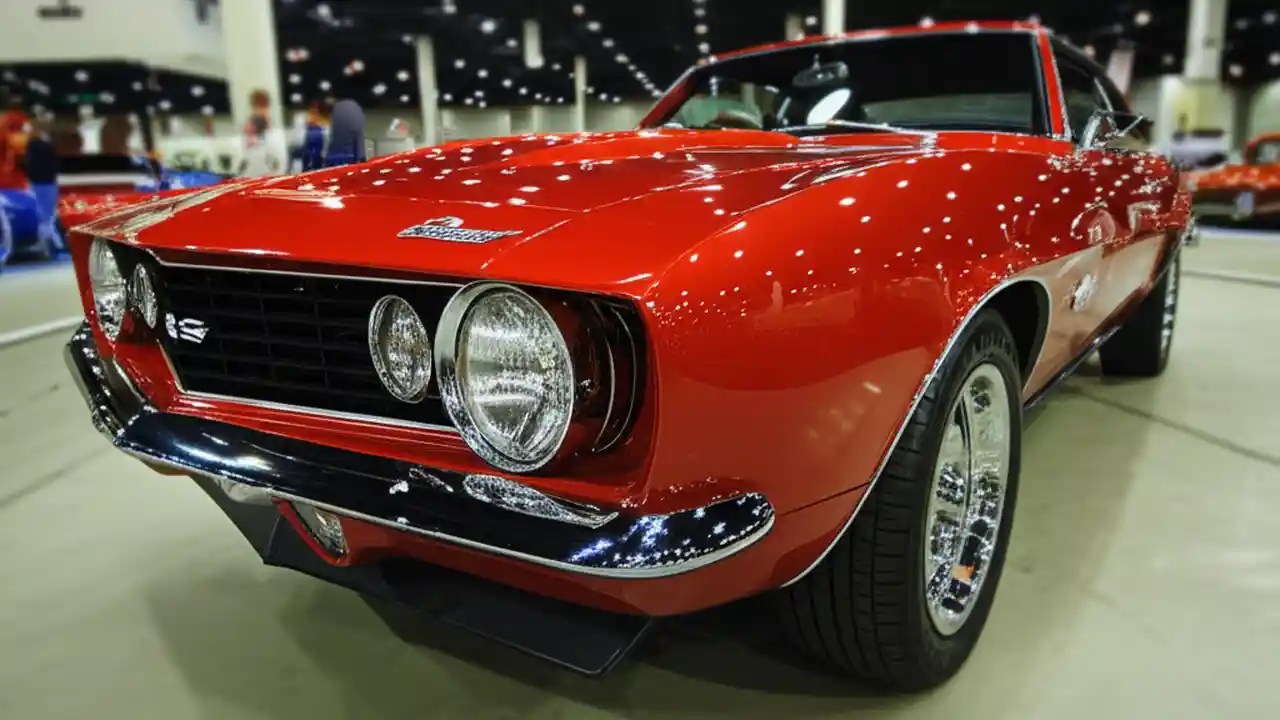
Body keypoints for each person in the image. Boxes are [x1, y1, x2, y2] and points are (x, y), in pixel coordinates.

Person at [24, 118, 63, 258]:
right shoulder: (41, 146)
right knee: (46, 217)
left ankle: (51, 245)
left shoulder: (35, 146)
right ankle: (53, 245)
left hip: (42, 183)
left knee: (44, 217)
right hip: (44, 183)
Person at [325, 99, 365, 167]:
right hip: (348, 160)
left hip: (333, 159)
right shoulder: (354, 119)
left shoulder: (333, 125)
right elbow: (358, 143)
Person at [301, 99, 330, 171]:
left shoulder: (323, 129)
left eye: (315, 114)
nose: (312, 116)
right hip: (307, 159)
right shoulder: (305, 129)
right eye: (311, 113)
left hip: (319, 160)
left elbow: (325, 146)